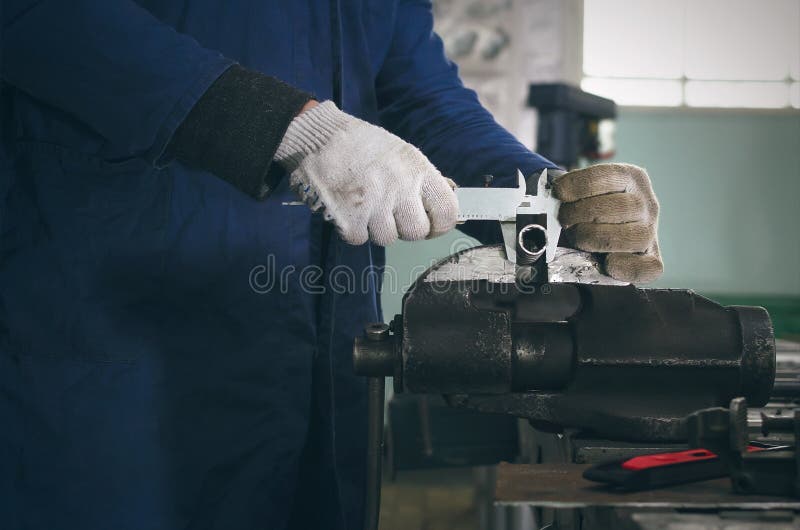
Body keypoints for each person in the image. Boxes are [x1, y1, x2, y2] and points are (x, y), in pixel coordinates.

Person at [0, 1, 662, 529]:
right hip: (110, 382)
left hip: (327, 380)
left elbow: (417, 96)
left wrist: (552, 201)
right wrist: (280, 127)